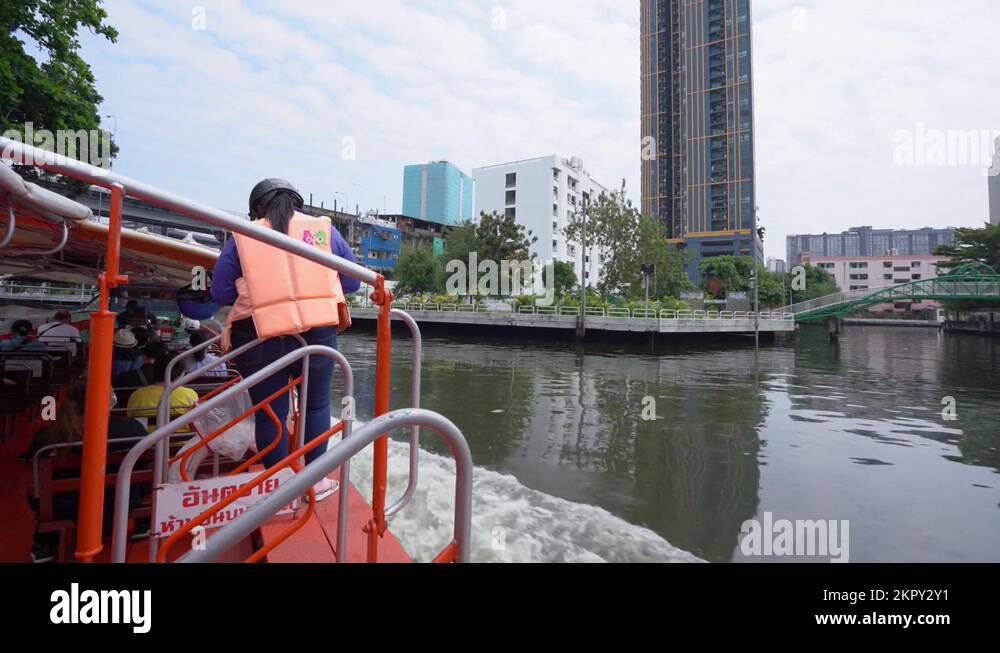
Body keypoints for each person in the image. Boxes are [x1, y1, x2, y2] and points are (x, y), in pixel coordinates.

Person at [210, 178, 359, 502]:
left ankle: (278, 490)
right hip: (317, 335)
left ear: (256, 210)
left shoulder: (244, 236)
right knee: (316, 405)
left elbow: (220, 292)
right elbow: (352, 282)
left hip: (260, 336)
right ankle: (315, 483)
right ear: (297, 203)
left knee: (270, 413)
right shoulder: (323, 231)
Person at [24, 378, 148, 562]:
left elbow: (30, 464)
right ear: (109, 399)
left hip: (65, 506)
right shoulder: (131, 428)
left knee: (43, 491)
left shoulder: (49, 436)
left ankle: (46, 542)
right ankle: (143, 523)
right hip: (122, 500)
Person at [126, 355, 199, 432]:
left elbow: (131, 421)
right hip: (184, 443)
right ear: (181, 374)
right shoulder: (190, 394)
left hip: (146, 442)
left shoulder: (137, 395)